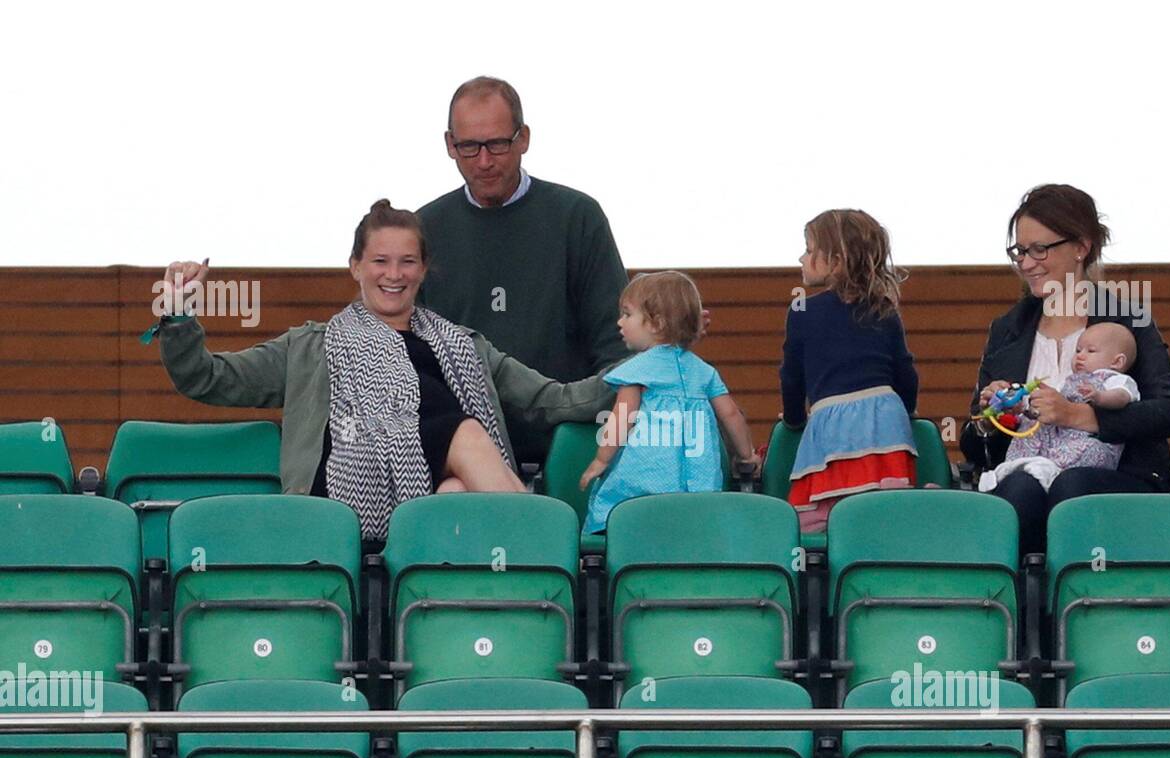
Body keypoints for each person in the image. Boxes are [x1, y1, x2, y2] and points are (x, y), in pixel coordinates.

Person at [150, 200, 614, 542]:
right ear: (355, 267)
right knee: (469, 434)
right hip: (345, 505)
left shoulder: (464, 345)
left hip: (434, 502)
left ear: (424, 269)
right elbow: (207, 378)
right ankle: (541, 551)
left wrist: (635, 376)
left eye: (407, 261)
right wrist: (178, 316)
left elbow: (552, 400)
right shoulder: (312, 347)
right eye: (380, 261)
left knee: (454, 490)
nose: (394, 274)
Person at [959, 184, 1170, 555]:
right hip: (1027, 481)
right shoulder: (1007, 329)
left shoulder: (1130, 320)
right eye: (1019, 251)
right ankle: (1023, 605)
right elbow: (974, 444)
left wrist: (1078, 415)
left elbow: (1169, 413)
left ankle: (1063, 599)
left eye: (1039, 249)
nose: (1026, 263)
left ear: (1081, 247)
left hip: (1116, 480)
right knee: (1020, 488)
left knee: (1071, 488)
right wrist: (992, 416)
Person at [416, 76, 629, 463]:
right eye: (469, 147)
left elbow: (616, 346)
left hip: (567, 444)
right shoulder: (424, 230)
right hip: (458, 453)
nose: (484, 161)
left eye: (498, 144)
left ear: (524, 138)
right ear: (449, 144)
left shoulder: (576, 218)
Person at [579, 271, 759, 534]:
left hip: (644, 483)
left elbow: (622, 418)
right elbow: (730, 414)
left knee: (623, 522)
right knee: (690, 537)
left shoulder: (637, 370)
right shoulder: (703, 371)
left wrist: (602, 459)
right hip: (698, 485)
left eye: (627, 314)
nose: (619, 322)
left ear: (657, 323)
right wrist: (747, 455)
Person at [779, 209, 919, 533]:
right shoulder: (884, 309)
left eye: (809, 249)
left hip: (832, 428)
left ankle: (824, 578)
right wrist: (907, 413)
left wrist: (793, 419)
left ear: (837, 261)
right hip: (888, 426)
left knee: (815, 522)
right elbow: (905, 372)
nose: (801, 257)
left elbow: (791, 376)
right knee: (886, 521)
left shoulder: (801, 310)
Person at [979, 323, 1141, 492]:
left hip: (1090, 439)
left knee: (1090, 452)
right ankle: (1020, 464)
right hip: (1060, 438)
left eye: (1090, 351)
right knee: (1030, 426)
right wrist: (1023, 408)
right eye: (1078, 351)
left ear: (1117, 361)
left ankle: (1050, 469)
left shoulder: (1116, 380)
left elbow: (1122, 397)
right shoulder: (1071, 380)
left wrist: (1099, 397)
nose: (1080, 356)